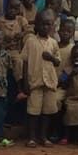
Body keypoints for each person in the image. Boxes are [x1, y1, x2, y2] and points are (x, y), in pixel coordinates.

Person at [21, 9, 61, 147]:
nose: (46, 27)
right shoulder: (30, 42)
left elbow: (58, 62)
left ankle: (43, 136)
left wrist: (51, 58)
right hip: (35, 83)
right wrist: (25, 82)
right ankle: (32, 137)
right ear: (36, 25)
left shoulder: (53, 43)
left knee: (47, 112)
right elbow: (25, 62)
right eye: (43, 24)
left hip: (49, 83)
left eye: (49, 24)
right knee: (33, 111)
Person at [0, 0, 29, 83]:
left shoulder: (20, 20)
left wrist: (22, 34)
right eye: (11, 7)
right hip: (1, 50)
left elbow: (30, 30)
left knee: (19, 62)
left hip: (15, 51)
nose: (13, 10)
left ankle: (20, 87)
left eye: (16, 8)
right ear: (6, 6)